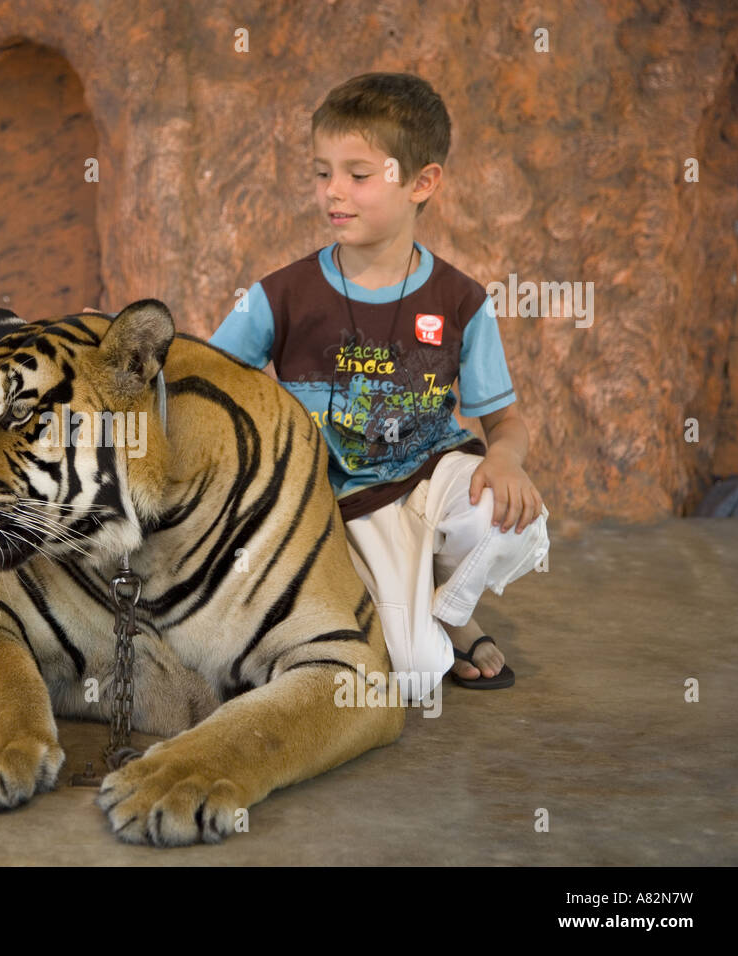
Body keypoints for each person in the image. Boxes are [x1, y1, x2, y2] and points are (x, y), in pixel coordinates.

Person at [208, 72, 549, 699]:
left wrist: (504, 458)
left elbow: (506, 423)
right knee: (417, 677)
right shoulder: (279, 296)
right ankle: (425, 620)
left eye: (358, 175)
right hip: (342, 506)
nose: (333, 191)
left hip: (430, 477)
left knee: (516, 521)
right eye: (322, 173)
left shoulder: (461, 300)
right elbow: (206, 386)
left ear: (422, 182)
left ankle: (447, 611)